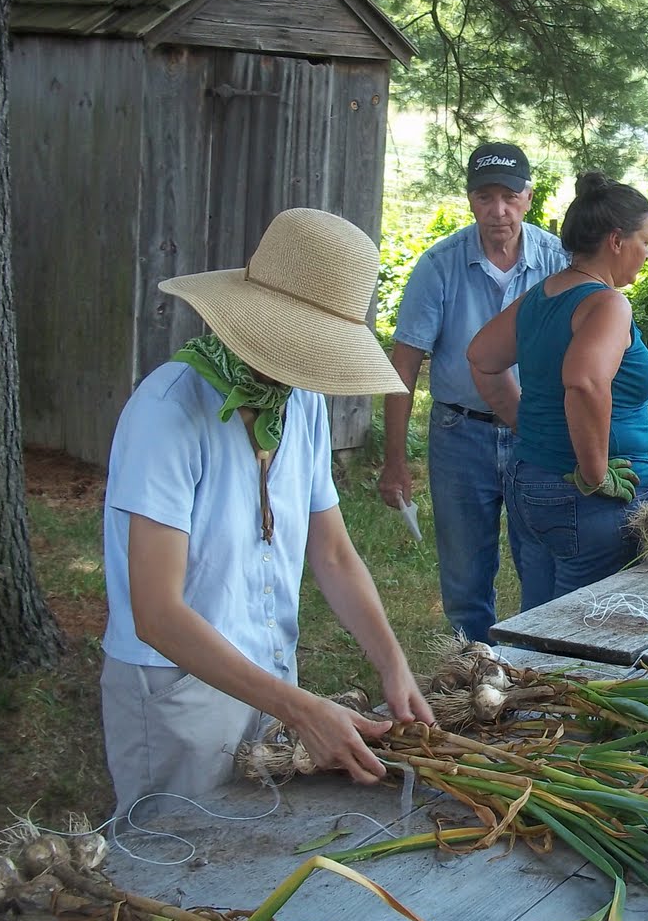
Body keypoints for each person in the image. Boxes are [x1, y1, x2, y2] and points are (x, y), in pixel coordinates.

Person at [100, 208, 435, 818]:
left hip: (272, 671)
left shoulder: (298, 401)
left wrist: (392, 662)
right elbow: (156, 614)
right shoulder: (168, 413)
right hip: (180, 692)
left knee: (256, 860)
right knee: (177, 871)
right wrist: (302, 708)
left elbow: (331, 552)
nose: (308, 367)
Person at [379, 142, 567, 642]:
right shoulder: (439, 266)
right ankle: (469, 679)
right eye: (486, 197)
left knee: (543, 566)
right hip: (460, 433)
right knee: (464, 575)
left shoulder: (558, 261)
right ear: (470, 201)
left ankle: (539, 671)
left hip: (538, 433)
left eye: (509, 196)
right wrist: (395, 460)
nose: (498, 211)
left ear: (529, 197)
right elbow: (404, 365)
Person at [467, 171, 648, 608]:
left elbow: (482, 356)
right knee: (586, 631)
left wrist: (524, 424)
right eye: (644, 241)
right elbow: (585, 380)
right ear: (616, 240)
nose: (646, 253)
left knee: (537, 621)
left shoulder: (544, 294)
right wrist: (594, 474)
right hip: (587, 501)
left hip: (531, 481)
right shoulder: (608, 303)